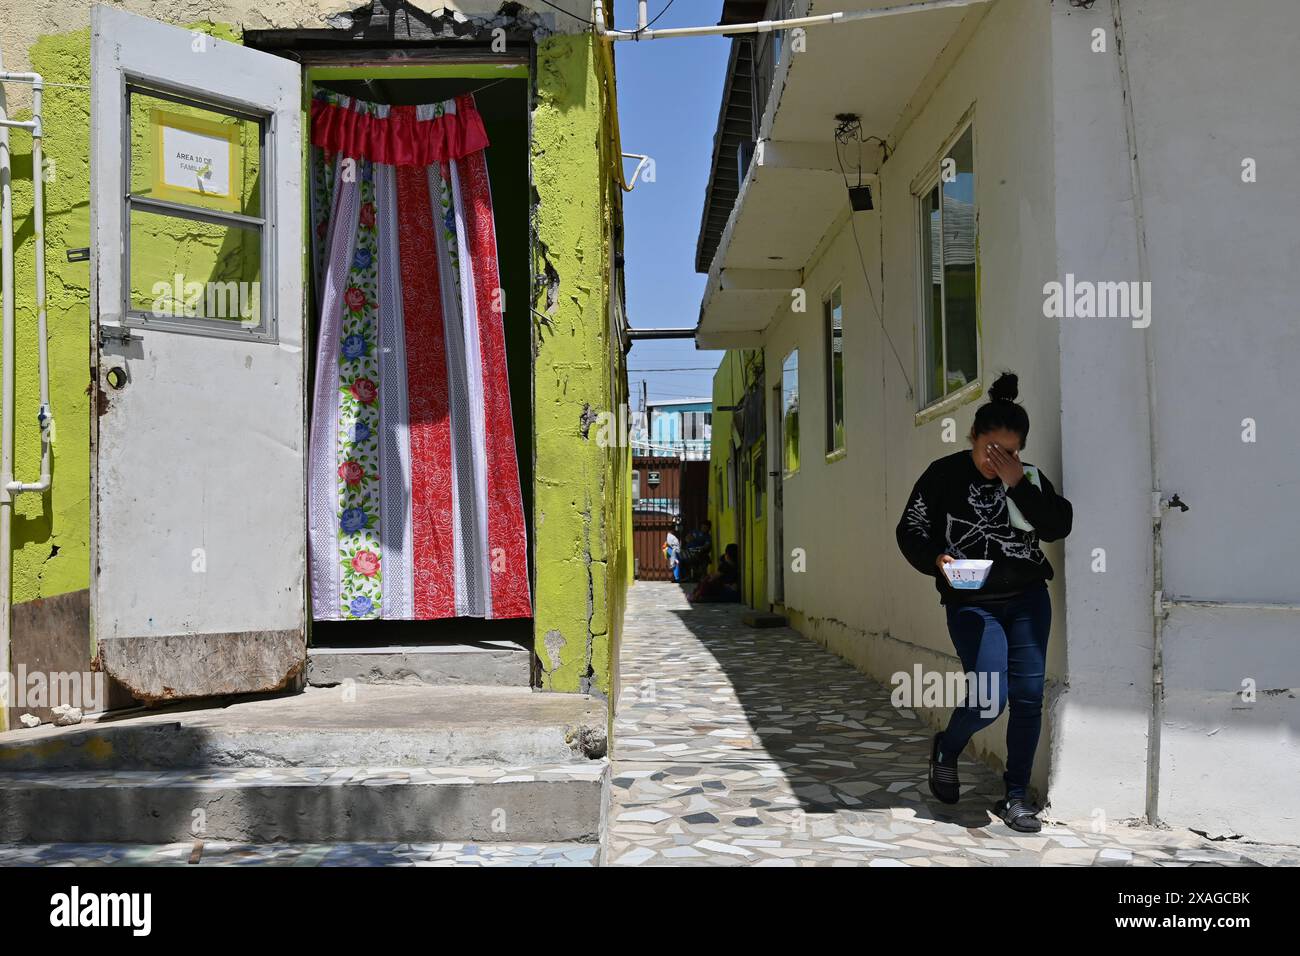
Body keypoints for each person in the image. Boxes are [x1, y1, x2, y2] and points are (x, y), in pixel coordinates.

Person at [895, 372, 1073, 833]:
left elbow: (1057, 525)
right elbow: (910, 530)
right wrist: (935, 559)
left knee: (1029, 698)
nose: (999, 461)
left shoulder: (1027, 479)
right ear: (973, 437)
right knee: (990, 698)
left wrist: (1018, 484)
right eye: (990, 450)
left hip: (1029, 599)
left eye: (1009, 453)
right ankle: (948, 747)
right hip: (973, 602)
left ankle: (1016, 797)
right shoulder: (943, 476)